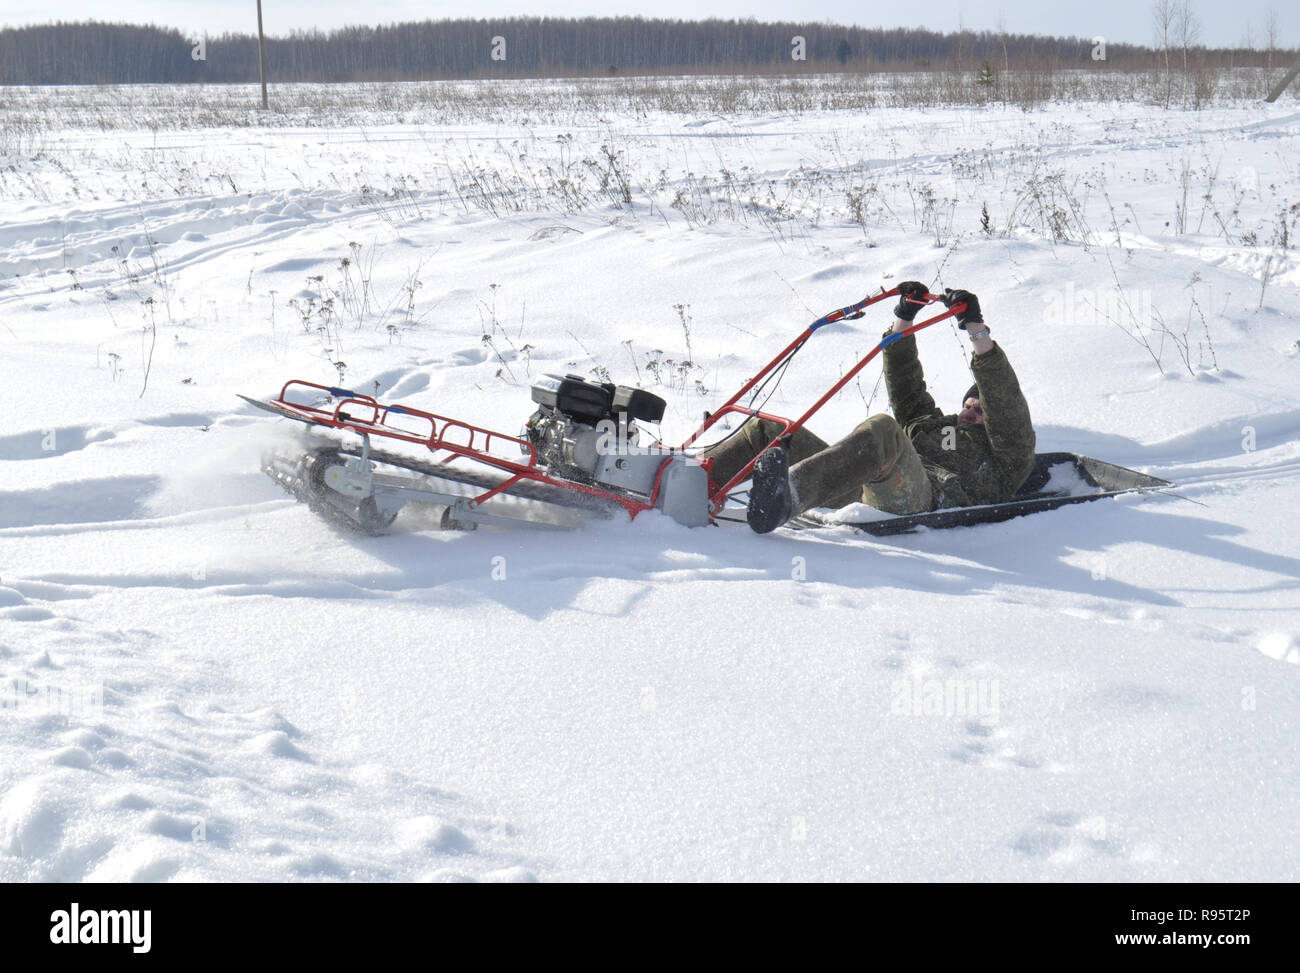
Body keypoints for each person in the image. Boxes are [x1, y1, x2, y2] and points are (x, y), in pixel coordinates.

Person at [699, 282, 1036, 533]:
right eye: (969, 405)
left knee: (884, 429)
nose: (969, 413)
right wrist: (904, 318)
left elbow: (1004, 400)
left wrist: (975, 327)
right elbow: (905, 381)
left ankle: (787, 494)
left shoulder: (1007, 453)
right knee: (769, 430)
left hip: (921, 502)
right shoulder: (938, 428)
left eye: (980, 412)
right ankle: (695, 482)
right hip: (868, 491)